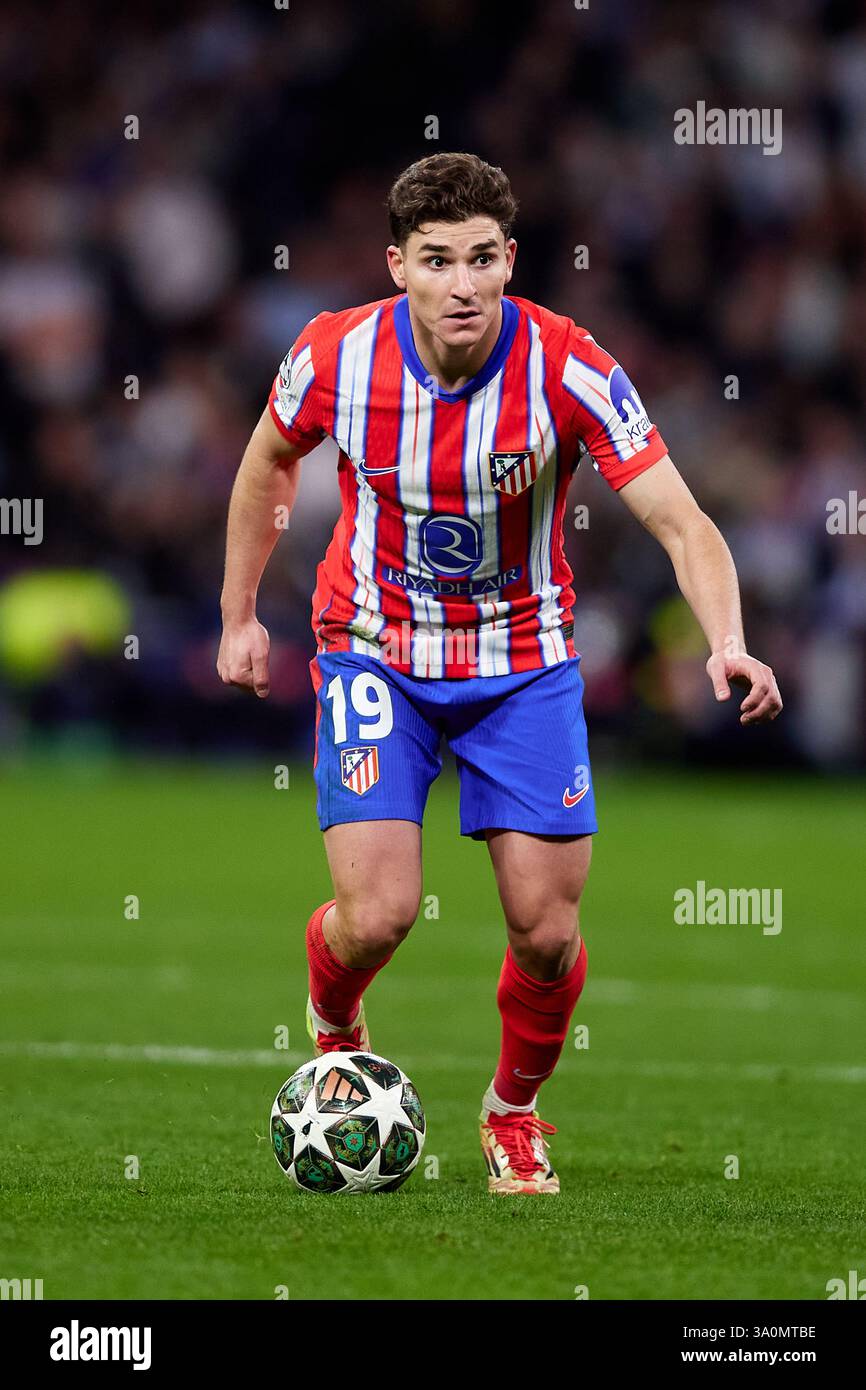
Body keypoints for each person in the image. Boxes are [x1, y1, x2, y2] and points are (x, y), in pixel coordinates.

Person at [217, 151, 782, 1195]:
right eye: (437, 260)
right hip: (372, 650)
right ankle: (334, 1010)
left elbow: (678, 517)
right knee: (377, 914)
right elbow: (266, 463)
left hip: (522, 666)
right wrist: (239, 614)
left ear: (510, 259)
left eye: (482, 258)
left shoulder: (568, 367)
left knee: (546, 927)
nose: (463, 283)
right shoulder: (332, 358)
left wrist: (725, 637)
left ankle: (511, 1113)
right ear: (398, 267)